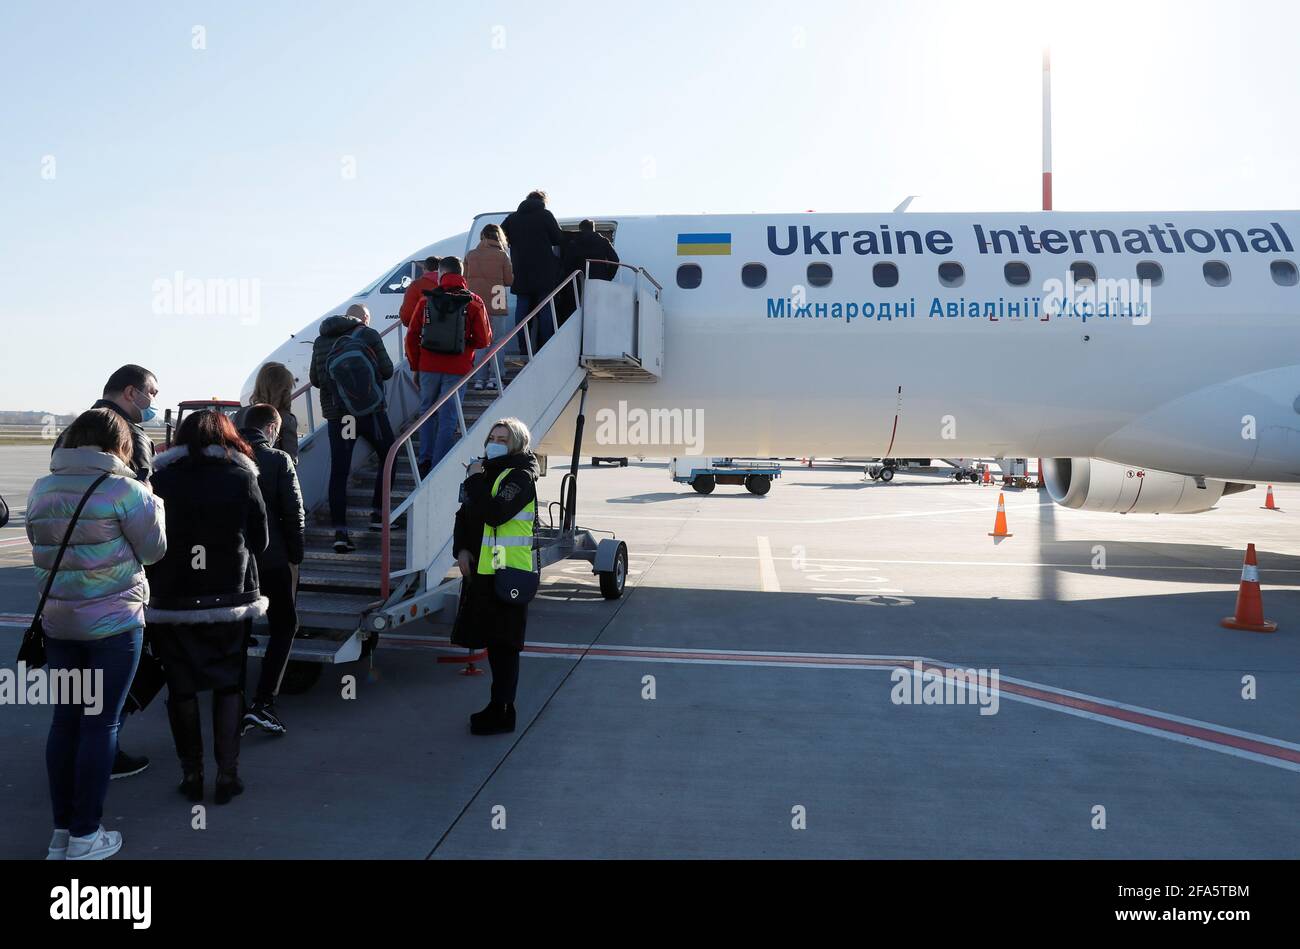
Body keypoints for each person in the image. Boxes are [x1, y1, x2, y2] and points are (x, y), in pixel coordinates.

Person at [27, 408, 167, 859]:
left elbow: (38, 542)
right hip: (114, 624)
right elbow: (154, 550)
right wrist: (153, 504)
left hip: (59, 623)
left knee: (65, 722)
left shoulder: (42, 487)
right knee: (100, 724)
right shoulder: (125, 491)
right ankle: (87, 834)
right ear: (119, 443)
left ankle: (62, 833)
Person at [146, 411, 269, 805]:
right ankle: (227, 775)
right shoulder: (241, 475)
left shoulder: (161, 478)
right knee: (229, 684)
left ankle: (192, 773)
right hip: (229, 596)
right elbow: (261, 539)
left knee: (181, 688)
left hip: (173, 598)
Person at [53, 364, 160, 780]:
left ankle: (68, 787)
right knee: (111, 702)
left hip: (61, 594)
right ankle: (102, 760)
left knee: (69, 708)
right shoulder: (131, 437)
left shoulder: (74, 433)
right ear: (131, 392)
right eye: (151, 392)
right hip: (112, 594)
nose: (153, 401)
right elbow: (145, 517)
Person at [452, 418, 540, 735]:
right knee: (492, 642)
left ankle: (504, 710)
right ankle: (496, 704)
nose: (495, 442)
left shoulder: (521, 475)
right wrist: (461, 549)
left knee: (505, 646)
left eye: (503, 438)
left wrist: (475, 479)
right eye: (492, 436)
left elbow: (495, 512)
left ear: (516, 443)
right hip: (483, 571)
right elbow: (464, 514)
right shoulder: (484, 470)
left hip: (507, 571)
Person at [236, 404, 305, 736]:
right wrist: (296, 556)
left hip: (232, 563)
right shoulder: (278, 460)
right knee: (285, 625)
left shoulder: (224, 458)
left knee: (237, 628)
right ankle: (264, 702)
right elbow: (294, 514)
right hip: (272, 559)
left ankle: (230, 700)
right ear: (272, 429)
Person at [309, 302, 396, 553]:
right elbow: (388, 371)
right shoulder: (368, 334)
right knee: (388, 454)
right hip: (369, 412)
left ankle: (340, 533)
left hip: (339, 415)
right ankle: (379, 515)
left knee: (340, 471)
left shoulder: (321, 339)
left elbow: (316, 380)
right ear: (364, 319)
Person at [404, 256, 492, 477]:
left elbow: (412, 336)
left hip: (428, 366)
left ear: (441, 275)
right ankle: (439, 463)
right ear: (462, 274)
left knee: (426, 412)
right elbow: (484, 340)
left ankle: (424, 459)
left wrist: (416, 365)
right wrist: (463, 343)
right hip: (458, 367)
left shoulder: (426, 301)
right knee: (449, 416)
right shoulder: (473, 301)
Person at [501, 190, 568, 352]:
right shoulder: (545, 215)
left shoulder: (512, 218)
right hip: (544, 270)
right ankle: (547, 346)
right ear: (543, 201)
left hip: (520, 270)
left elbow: (502, 236)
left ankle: (524, 346)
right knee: (545, 308)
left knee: (522, 309)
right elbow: (558, 238)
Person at [465, 224, 516, 389]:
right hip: (497, 299)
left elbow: (465, 280)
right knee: (498, 342)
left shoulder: (471, 255)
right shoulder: (502, 256)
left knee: (480, 341)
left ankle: (479, 379)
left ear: (482, 236)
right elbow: (509, 281)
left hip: (476, 303)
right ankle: (495, 377)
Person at [233, 362, 300, 463]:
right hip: (270, 477)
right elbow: (290, 461)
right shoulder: (286, 419)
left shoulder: (240, 415)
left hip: (243, 474)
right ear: (284, 391)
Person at [562, 219, 620, 284]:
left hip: (581, 281)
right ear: (593, 228)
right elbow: (615, 260)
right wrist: (608, 277)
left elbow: (567, 264)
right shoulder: (604, 242)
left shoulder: (574, 243)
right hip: (600, 280)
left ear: (580, 229)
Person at [398, 256, 442, 328]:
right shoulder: (451, 285)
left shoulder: (416, 286)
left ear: (424, 269)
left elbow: (407, 317)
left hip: (426, 333)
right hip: (452, 334)